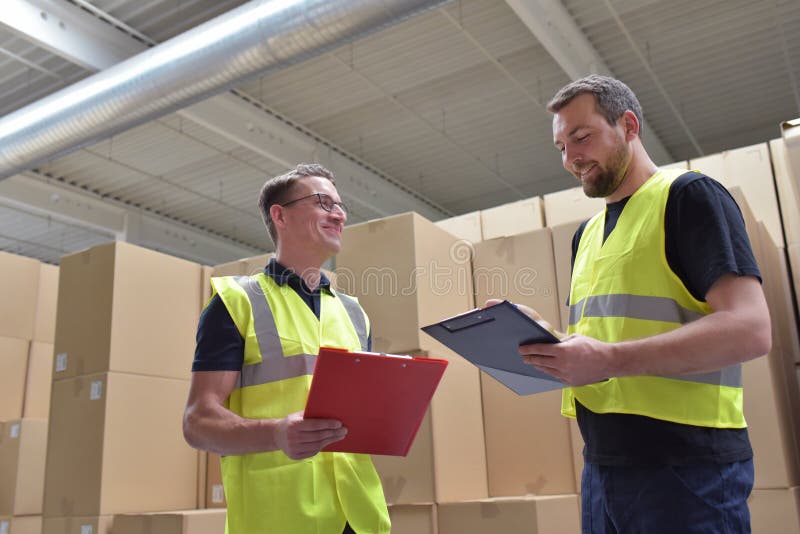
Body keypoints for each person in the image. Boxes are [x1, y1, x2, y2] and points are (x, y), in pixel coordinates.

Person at [511, 75, 771, 533]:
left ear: (628, 126)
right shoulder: (586, 235)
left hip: (687, 466)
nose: (571, 158)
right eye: (561, 148)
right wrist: (548, 341)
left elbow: (751, 328)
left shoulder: (688, 197)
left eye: (582, 137)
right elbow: (608, 339)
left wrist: (608, 358)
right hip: (602, 466)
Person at [183, 164, 390, 534]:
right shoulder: (236, 302)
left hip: (358, 516)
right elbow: (197, 423)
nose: (339, 214)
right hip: (279, 518)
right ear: (280, 215)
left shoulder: (354, 313)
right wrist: (276, 433)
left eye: (341, 206)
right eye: (323, 202)